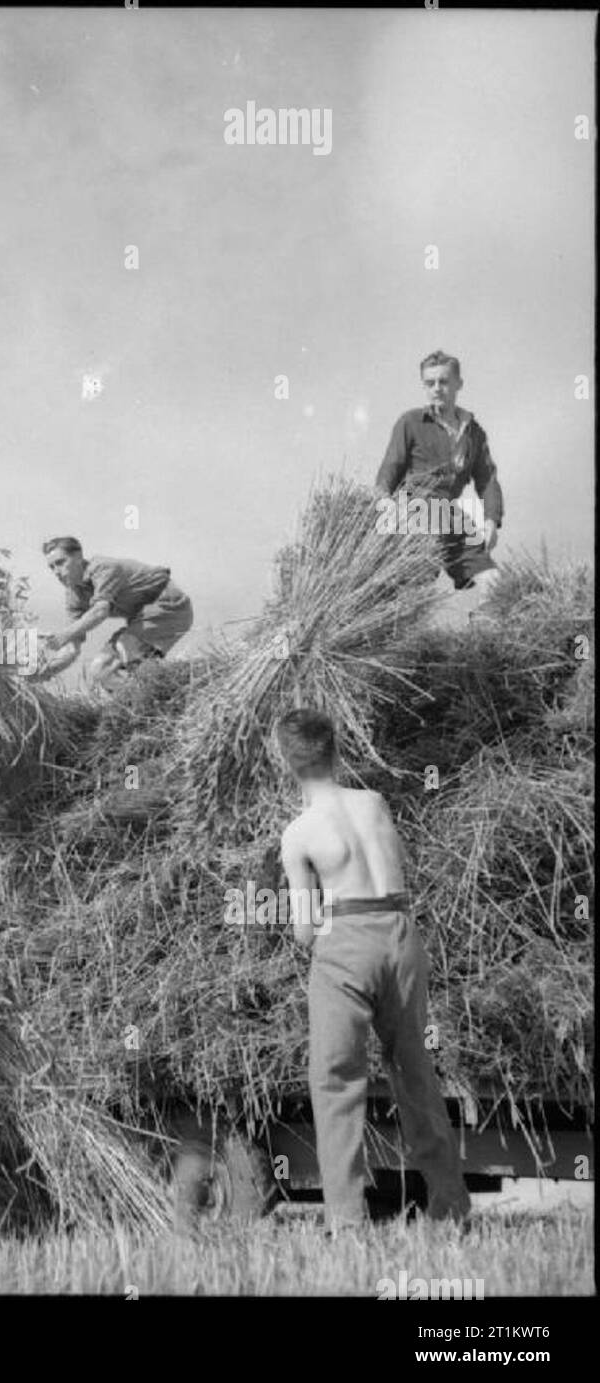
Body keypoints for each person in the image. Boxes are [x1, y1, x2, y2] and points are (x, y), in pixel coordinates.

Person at [276, 708, 470, 1231]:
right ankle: (451, 1208)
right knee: (413, 1070)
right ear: (336, 750)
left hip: (347, 939)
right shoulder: (375, 803)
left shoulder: (299, 832)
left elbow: (302, 926)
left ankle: (346, 1222)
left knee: (336, 1079)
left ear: (286, 761)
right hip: (402, 933)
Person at [375, 350, 504, 591]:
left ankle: (483, 623)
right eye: (429, 383)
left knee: (496, 582)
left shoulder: (474, 432)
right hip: (415, 515)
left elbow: (487, 480)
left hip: (452, 519)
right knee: (413, 590)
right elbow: (390, 467)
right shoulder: (411, 422)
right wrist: (385, 508)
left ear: (459, 384)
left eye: (443, 382)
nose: (436, 388)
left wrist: (491, 521)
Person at [38, 536, 193, 689]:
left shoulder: (102, 568)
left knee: (127, 646)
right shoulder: (74, 595)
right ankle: (143, 702)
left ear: (78, 556)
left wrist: (63, 635)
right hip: (142, 618)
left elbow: (100, 611)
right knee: (100, 670)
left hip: (170, 605)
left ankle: (168, 687)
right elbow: (71, 648)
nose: (56, 572)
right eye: (51, 567)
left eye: (60, 563)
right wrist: (45, 671)